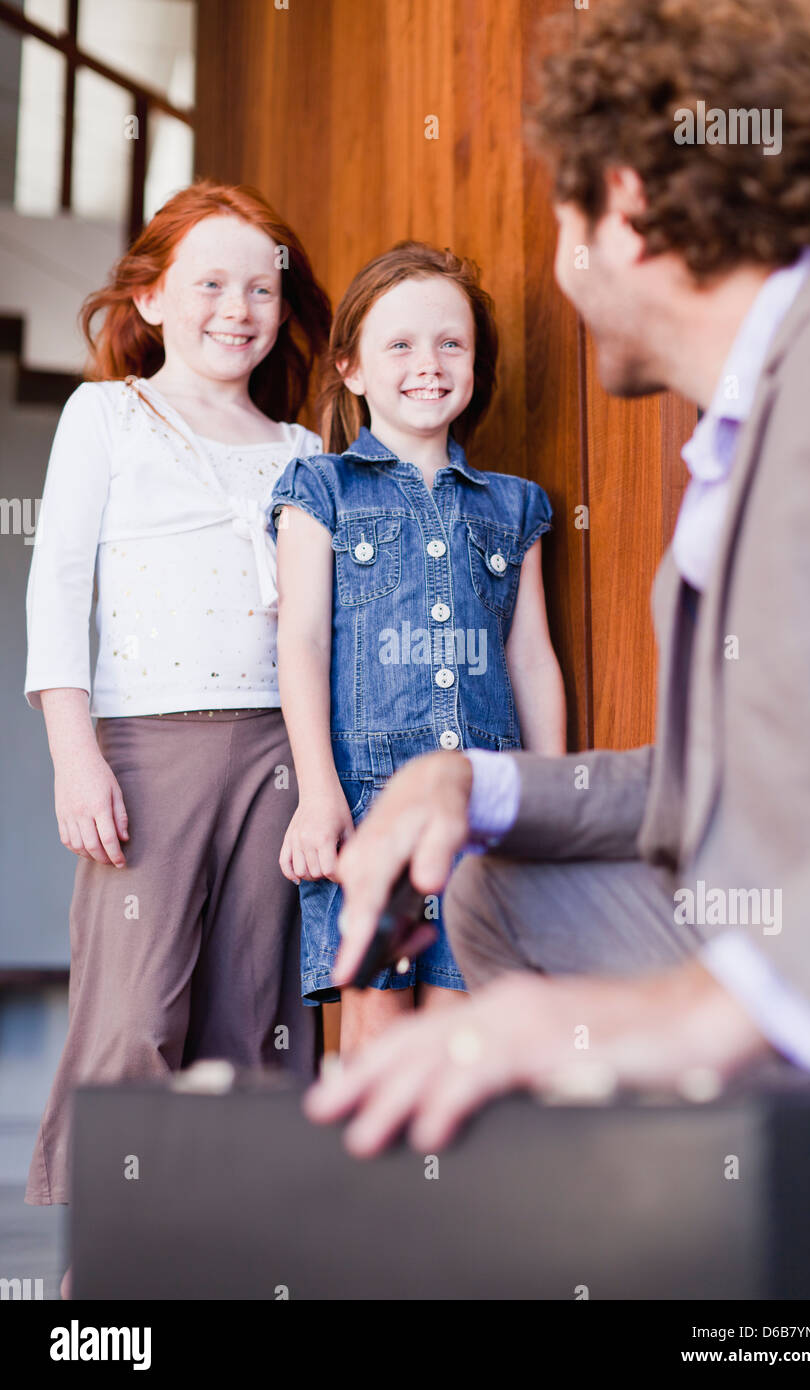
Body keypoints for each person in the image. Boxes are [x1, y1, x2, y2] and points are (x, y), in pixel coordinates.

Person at [301, 0, 810, 1154]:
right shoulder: (739, 424)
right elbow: (714, 784)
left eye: (561, 216)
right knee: (492, 885)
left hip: (803, 965)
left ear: (623, 203)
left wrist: (705, 1015)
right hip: (762, 931)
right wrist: (476, 783)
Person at [24, 180, 331, 1236]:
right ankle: (103, 1277)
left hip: (280, 754)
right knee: (135, 1016)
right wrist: (76, 756)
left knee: (255, 1019)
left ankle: (225, 1263)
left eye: (259, 287)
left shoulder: (304, 453)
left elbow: (316, 632)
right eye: (209, 283)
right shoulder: (107, 414)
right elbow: (56, 588)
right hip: (145, 749)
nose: (236, 307)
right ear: (151, 299)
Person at [269, 241, 566, 1053]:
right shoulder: (319, 490)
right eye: (398, 344)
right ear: (352, 370)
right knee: (373, 1014)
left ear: (476, 366)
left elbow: (532, 657)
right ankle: (362, 1184)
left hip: (480, 804)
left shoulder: (515, 507)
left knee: (463, 1017)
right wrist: (318, 793)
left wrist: (548, 797)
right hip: (367, 802)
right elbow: (300, 641)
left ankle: (452, 1181)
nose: (427, 363)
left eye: (451, 343)